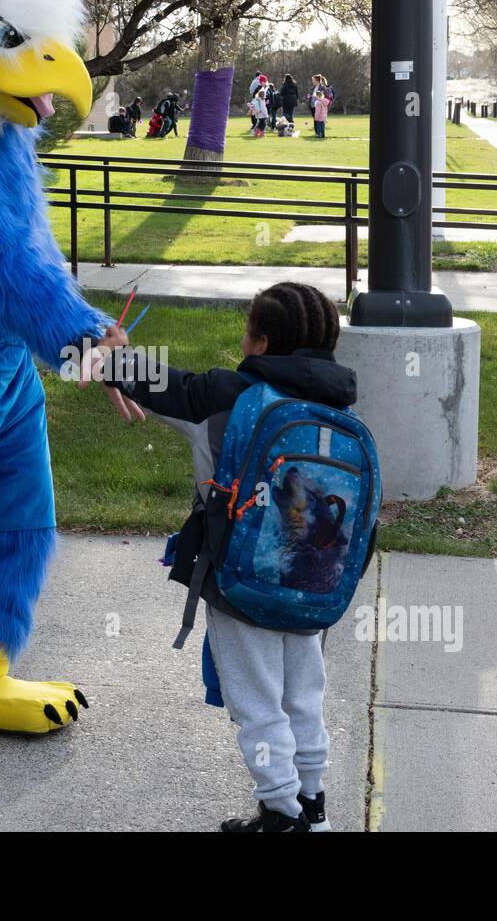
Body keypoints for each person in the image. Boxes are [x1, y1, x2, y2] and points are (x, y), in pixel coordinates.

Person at [94, 282, 359, 832]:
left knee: (256, 703)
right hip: (313, 580)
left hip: (242, 583)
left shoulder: (226, 400)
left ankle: (281, 813)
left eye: (246, 333)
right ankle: (313, 805)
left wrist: (110, 354)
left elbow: (162, 386)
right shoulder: (339, 408)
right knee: (303, 694)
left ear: (259, 343)